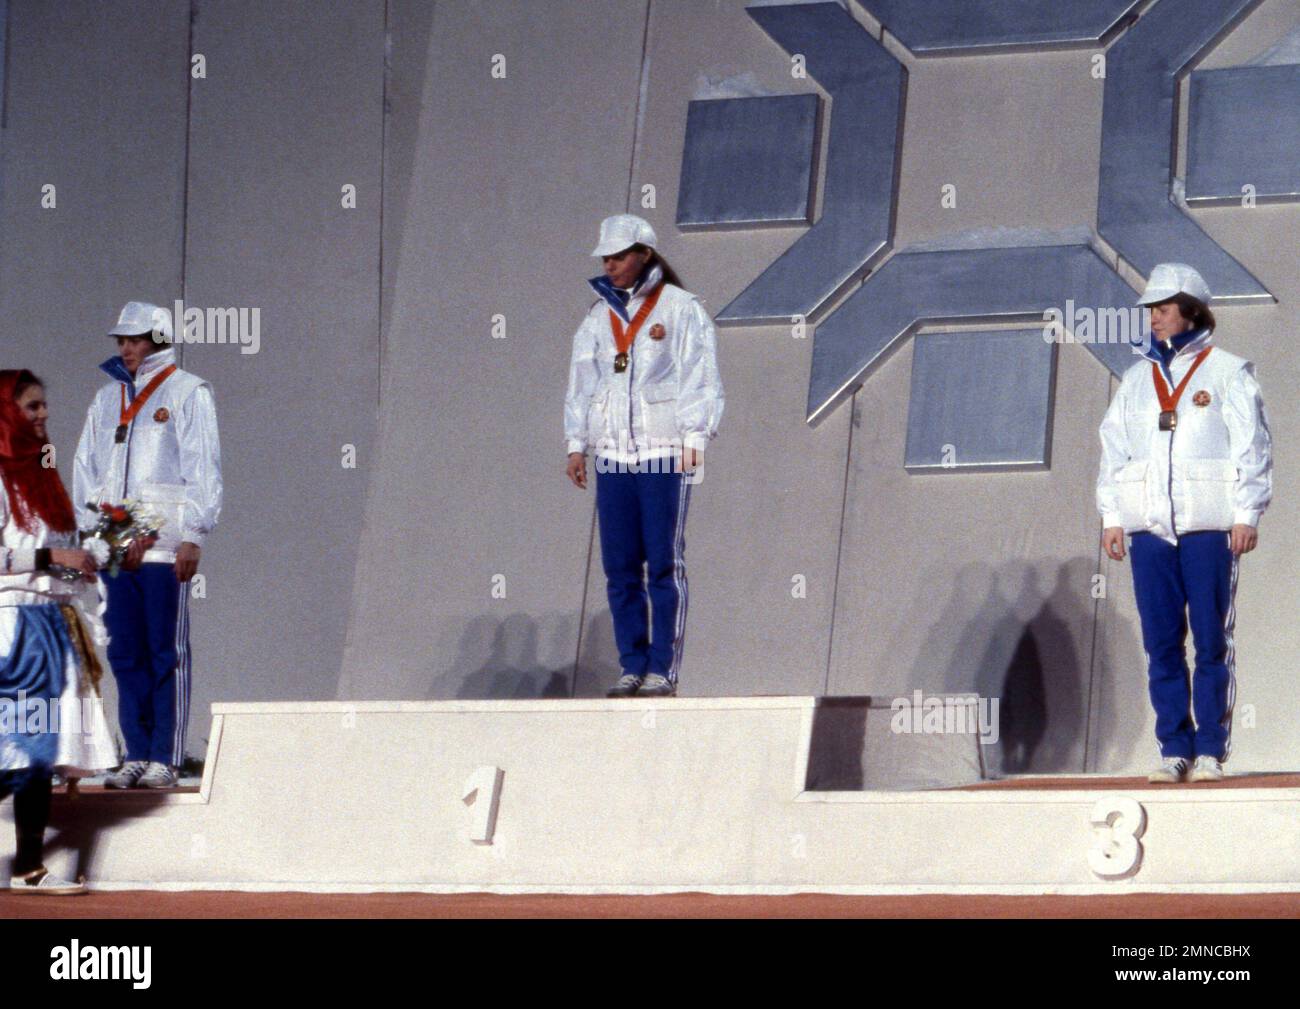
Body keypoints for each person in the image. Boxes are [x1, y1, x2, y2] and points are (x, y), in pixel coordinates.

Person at [1096, 263, 1272, 784]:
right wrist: (1111, 516)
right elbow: (1114, 451)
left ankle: (1212, 750)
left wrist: (1247, 513)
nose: (1154, 317)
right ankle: (1175, 746)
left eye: (1164, 308)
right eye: (1150, 309)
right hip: (1149, 527)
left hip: (1210, 526)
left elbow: (1254, 448)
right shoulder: (1134, 380)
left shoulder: (1228, 372)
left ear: (1192, 311)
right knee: (1161, 642)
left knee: (1211, 640)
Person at [564, 214, 723, 698]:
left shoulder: (680, 309)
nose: (609, 265)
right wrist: (577, 444)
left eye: (618, 256)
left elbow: (701, 376)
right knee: (619, 567)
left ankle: (663, 669)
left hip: (663, 452)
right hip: (613, 455)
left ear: (645, 254)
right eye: (605, 258)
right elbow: (582, 383)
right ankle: (631, 664)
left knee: (663, 563)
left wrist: (694, 441)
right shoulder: (597, 316)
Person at [74, 302, 222, 789]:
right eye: (120, 340)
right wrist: (93, 537)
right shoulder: (105, 398)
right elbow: (86, 471)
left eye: (134, 339)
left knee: (165, 649)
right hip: (116, 547)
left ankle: (166, 756)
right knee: (124, 652)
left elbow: (202, 468)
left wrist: (194, 535)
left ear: (158, 337)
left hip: (163, 546)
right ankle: (135, 751)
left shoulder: (188, 392)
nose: (125, 348)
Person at [1, 370, 118, 893]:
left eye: (45, 406)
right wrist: (53, 556)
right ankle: (26, 865)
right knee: (20, 746)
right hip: (13, 623)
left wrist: (85, 565)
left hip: (52, 621)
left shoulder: (44, 478)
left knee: (41, 749)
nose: (44, 415)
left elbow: (59, 559)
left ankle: (28, 868)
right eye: (32, 407)